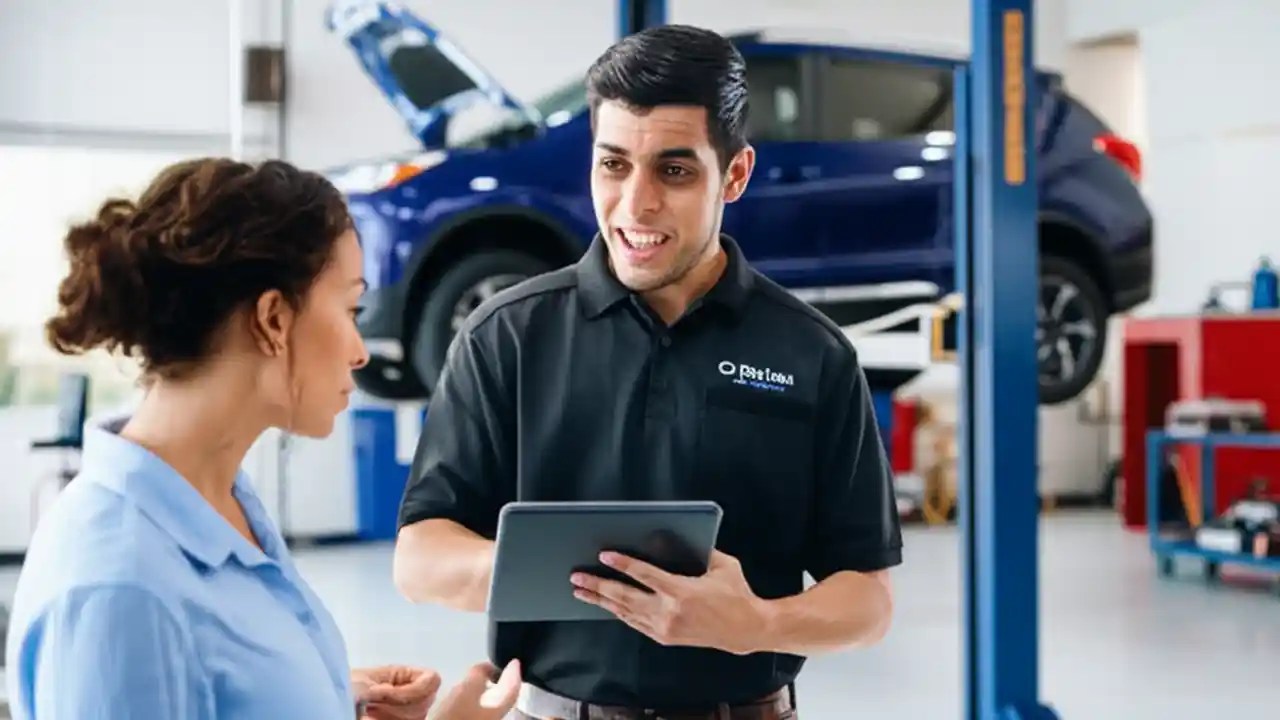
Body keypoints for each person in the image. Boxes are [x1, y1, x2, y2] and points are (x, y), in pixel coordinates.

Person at [392, 24, 903, 720]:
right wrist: (568, 572)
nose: (636, 205)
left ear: (736, 174)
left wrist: (755, 623)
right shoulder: (506, 337)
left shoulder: (812, 354)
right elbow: (418, 559)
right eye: (613, 165)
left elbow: (867, 599)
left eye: (674, 169)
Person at [2, 157, 522, 720]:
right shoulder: (120, 591)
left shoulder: (223, 508)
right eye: (351, 309)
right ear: (273, 319)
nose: (360, 350)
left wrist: (322, 696)